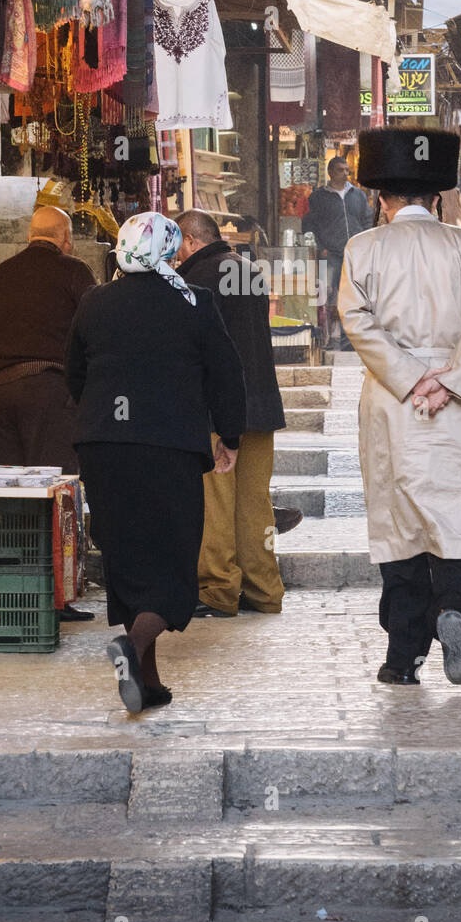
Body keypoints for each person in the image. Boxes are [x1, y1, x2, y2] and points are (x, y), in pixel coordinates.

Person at [338, 128, 461, 687]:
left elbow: (356, 321)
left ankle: (402, 657)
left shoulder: (362, 248)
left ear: (381, 198)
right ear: (437, 196)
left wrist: (409, 380)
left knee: (399, 521)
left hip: (392, 401)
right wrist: (450, 378)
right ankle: (451, 607)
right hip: (457, 401)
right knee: (455, 510)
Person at [66, 213, 246, 713]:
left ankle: (146, 680)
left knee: (127, 559)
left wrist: (101, 422)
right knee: (172, 565)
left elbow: (75, 374)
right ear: (169, 251)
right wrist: (227, 435)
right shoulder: (193, 301)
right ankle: (133, 647)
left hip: (103, 446)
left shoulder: (94, 302)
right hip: (168, 449)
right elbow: (225, 374)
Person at [175, 210, 290, 619]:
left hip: (216, 409)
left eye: (177, 244)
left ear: (191, 240)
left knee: (217, 503)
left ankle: (219, 591)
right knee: (254, 503)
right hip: (260, 405)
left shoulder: (195, 280)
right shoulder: (250, 271)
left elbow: (201, 352)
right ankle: (264, 591)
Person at [0, 205, 95, 473]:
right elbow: (94, 328)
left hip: (0, 392)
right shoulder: (74, 270)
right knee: (53, 481)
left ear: (29, 236)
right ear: (66, 238)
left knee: (10, 484)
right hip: (49, 391)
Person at [301, 155, 371, 349]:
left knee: (354, 296)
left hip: (354, 253)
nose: (345, 174)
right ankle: (331, 338)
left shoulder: (358, 195)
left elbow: (367, 219)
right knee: (329, 297)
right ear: (330, 172)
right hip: (329, 253)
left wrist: (365, 243)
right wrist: (320, 247)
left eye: (347, 170)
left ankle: (350, 339)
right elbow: (310, 224)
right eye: (341, 170)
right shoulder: (318, 197)